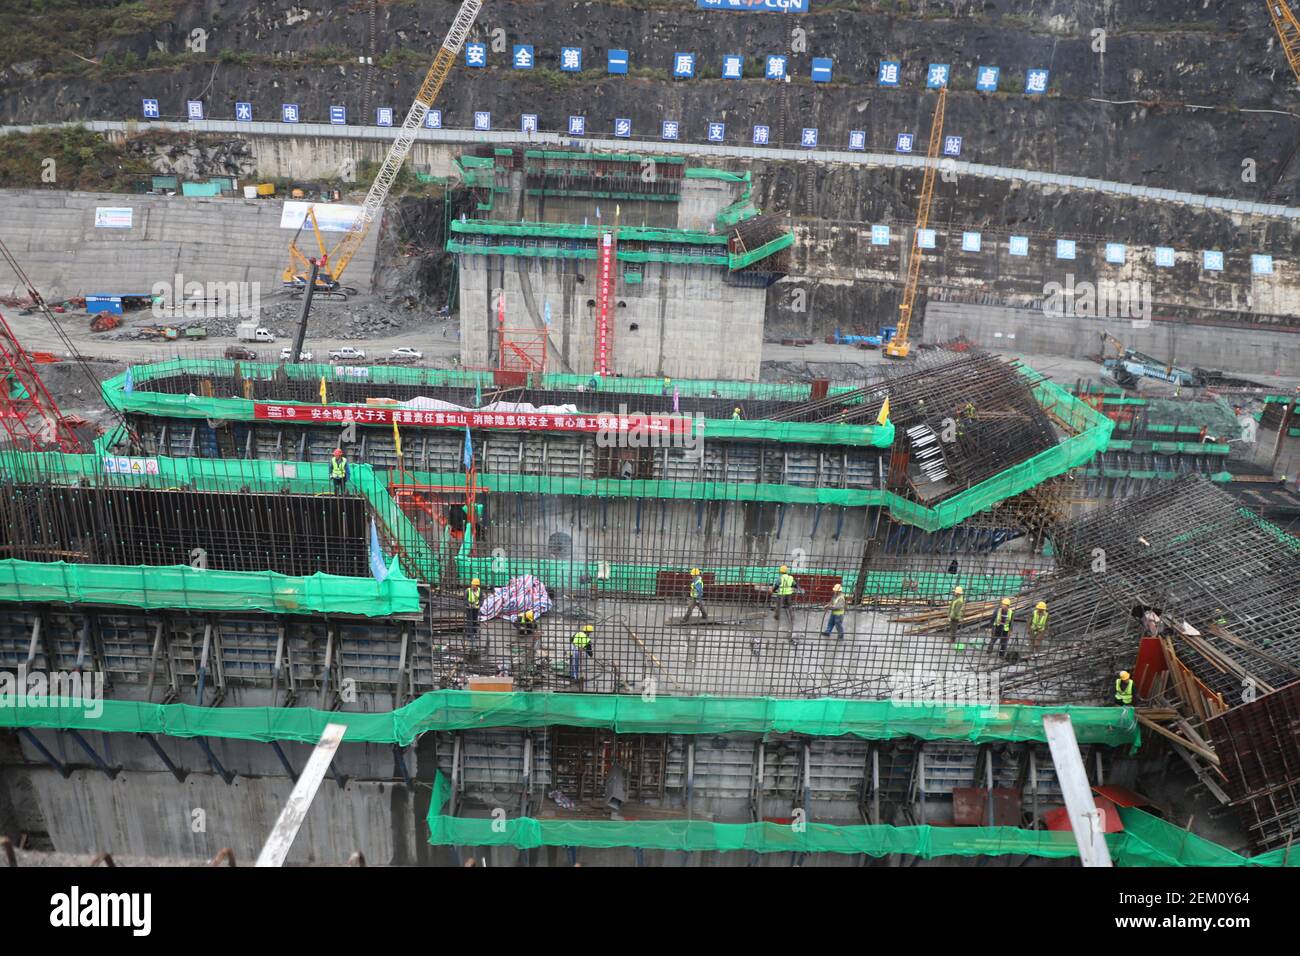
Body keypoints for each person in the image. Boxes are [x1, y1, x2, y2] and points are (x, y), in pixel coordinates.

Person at [772, 565, 796, 630]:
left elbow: (776, 586)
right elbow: (795, 585)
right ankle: (792, 617)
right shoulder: (790, 577)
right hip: (789, 594)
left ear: (780, 571)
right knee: (789, 606)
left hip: (781, 594)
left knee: (778, 605)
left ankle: (777, 617)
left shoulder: (780, 578)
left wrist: (773, 590)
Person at [465, 577, 482, 643]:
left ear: (477, 586)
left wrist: (480, 604)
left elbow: (481, 599)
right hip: (469, 609)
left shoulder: (479, 591)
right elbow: (465, 599)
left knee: (475, 621)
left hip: (476, 608)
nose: (473, 586)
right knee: (470, 621)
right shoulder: (468, 591)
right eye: (472, 585)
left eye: (475, 585)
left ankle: (474, 633)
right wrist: (468, 604)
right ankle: (470, 635)